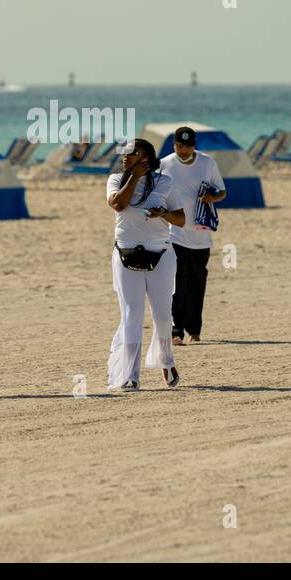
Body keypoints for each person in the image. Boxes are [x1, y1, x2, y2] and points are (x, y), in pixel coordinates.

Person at [106, 138, 186, 391]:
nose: (125, 156)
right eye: (124, 153)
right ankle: (130, 375)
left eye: (131, 153)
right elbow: (118, 203)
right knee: (132, 315)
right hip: (125, 253)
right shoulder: (116, 180)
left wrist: (163, 214)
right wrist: (134, 177)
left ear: (146, 157)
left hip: (161, 253)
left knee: (163, 316)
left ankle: (166, 359)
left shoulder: (165, 182)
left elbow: (181, 220)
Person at [158, 126, 226, 345]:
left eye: (187, 147)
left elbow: (222, 191)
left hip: (200, 234)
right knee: (178, 282)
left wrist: (211, 198)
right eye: (179, 146)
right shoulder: (165, 164)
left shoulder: (207, 163)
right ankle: (176, 330)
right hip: (174, 233)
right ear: (174, 145)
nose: (183, 150)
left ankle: (194, 329)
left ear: (194, 146)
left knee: (198, 283)